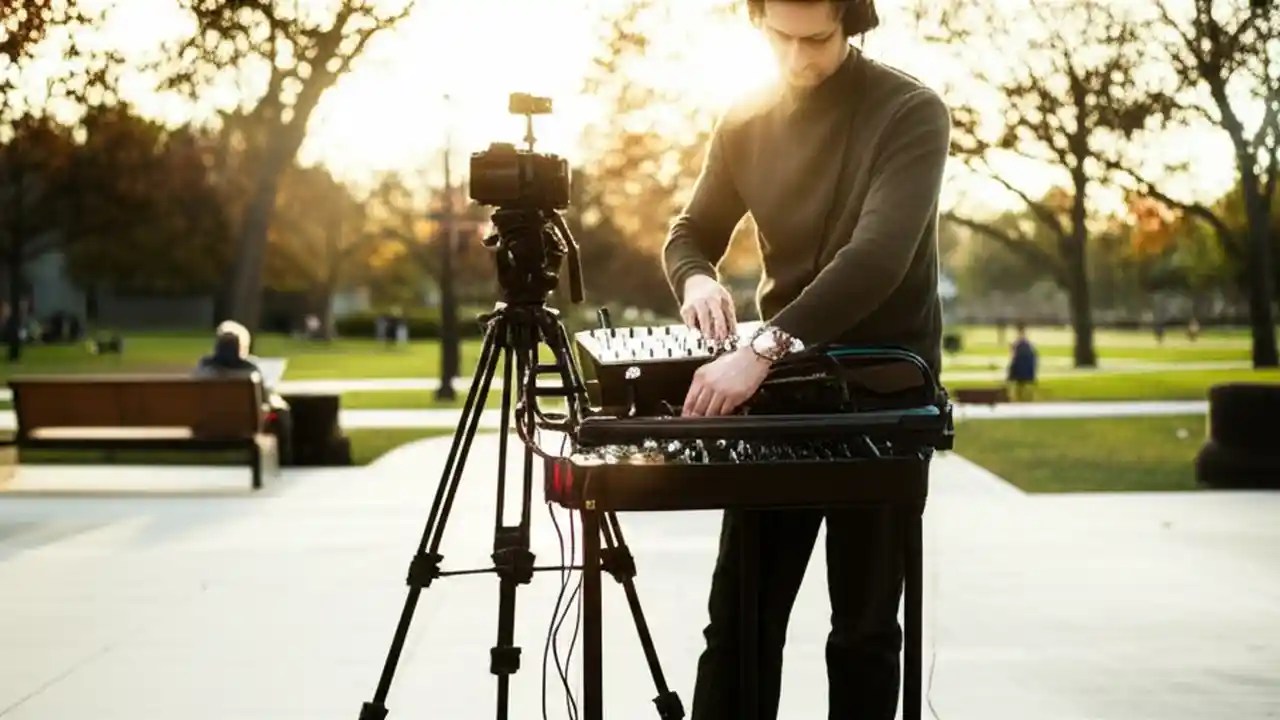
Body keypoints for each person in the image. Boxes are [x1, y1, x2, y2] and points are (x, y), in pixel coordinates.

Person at [660, 2, 951, 718]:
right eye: (778, 37)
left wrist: (760, 347)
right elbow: (690, 230)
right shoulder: (744, 120)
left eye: (816, 39)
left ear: (853, 20)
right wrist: (695, 276)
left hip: (884, 397)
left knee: (863, 635)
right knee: (738, 627)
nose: (797, 58)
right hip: (782, 393)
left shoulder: (912, 112)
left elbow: (876, 258)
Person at [1006, 322, 1037, 401]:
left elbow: (1013, 351)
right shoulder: (1025, 341)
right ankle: (1023, 397)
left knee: (1020, 383)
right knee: (1021, 383)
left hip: (1021, 363)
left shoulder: (1020, 341)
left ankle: (1021, 396)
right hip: (1023, 363)